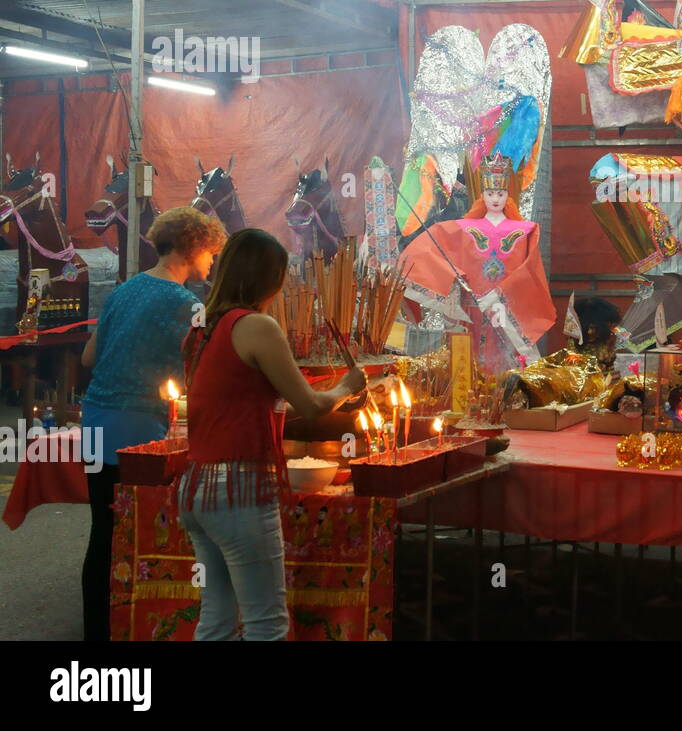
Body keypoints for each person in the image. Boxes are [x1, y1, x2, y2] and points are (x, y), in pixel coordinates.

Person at [178, 228, 366, 641]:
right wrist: (348, 386)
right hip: (238, 490)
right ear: (274, 278)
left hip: (196, 488)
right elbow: (312, 406)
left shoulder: (201, 330)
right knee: (267, 624)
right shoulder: (257, 327)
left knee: (217, 619)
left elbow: (242, 399)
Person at [79, 205, 226, 642]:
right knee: (151, 537)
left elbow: (89, 357)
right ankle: (148, 626)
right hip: (143, 432)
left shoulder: (124, 291)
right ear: (194, 248)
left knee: (102, 534)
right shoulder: (188, 304)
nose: (213, 262)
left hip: (96, 425)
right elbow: (205, 375)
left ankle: (98, 632)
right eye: (211, 253)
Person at [399, 152, 555, 378]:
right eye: (490, 193)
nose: (495, 198)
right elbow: (428, 249)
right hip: (471, 311)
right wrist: (451, 284)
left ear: (507, 195)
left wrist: (501, 296)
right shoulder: (462, 229)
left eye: (500, 193)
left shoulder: (525, 231)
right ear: (482, 194)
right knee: (467, 370)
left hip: (505, 312)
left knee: (507, 372)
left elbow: (530, 273)